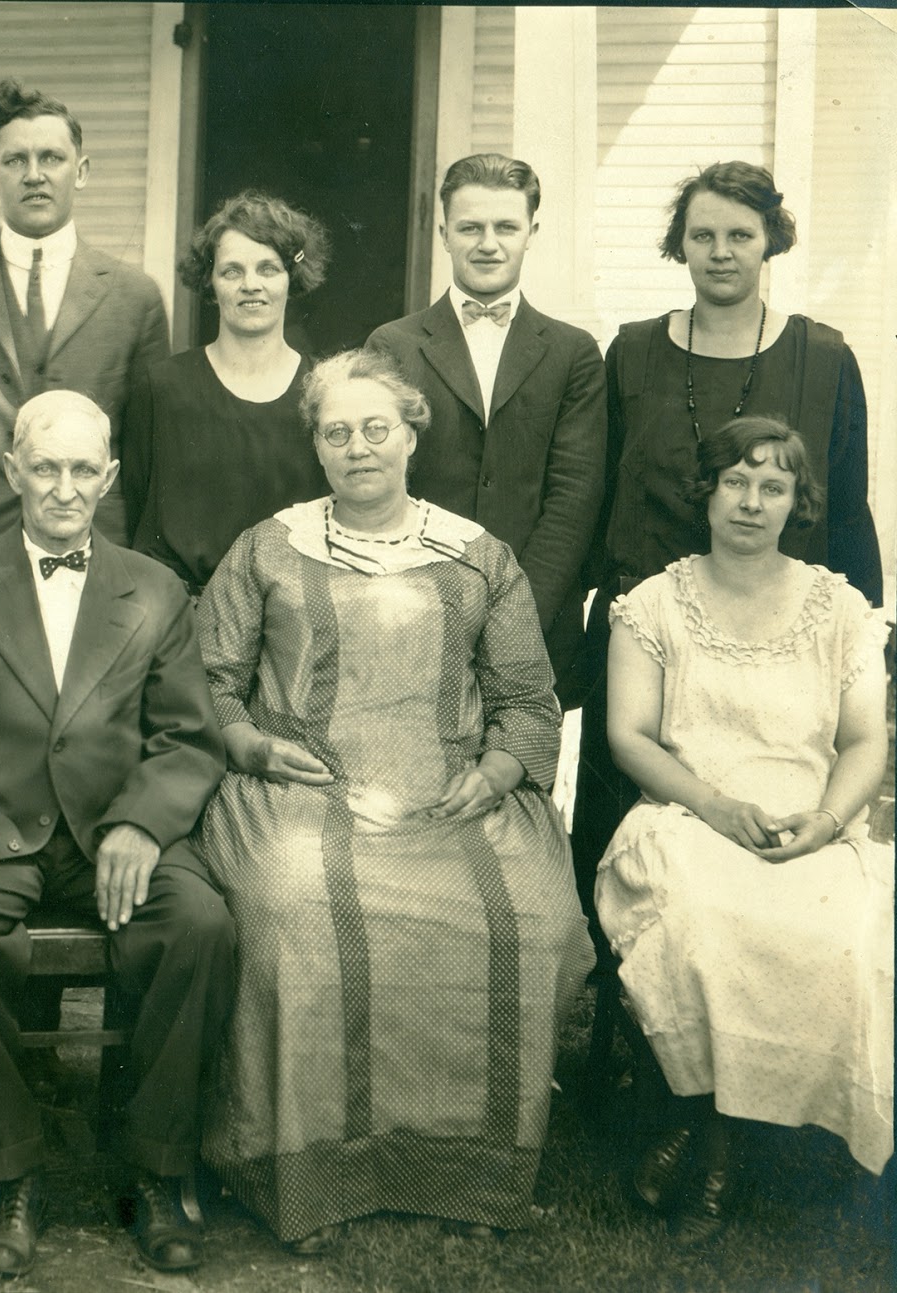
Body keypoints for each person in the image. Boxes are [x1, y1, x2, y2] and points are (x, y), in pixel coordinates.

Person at [194, 350, 592, 1251]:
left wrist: (496, 771)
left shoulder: (477, 555)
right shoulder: (270, 546)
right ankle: (304, 1174)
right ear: (317, 448)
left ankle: (474, 1173)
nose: (358, 447)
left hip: (451, 791)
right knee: (297, 912)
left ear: (412, 435)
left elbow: (528, 697)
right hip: (302, 786)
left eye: (377, 429)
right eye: (337, 432)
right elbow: (207, 683)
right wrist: (254, 743)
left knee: (530, 916)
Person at [0, 390, 234, 1279]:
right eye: (46, 467)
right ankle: (8, 1169)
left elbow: (188, 736)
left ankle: (156, 1164)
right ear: (12, 471)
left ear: (108, 478)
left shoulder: (153, 588)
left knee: (202, 926)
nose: (64, 489)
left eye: (82, 471)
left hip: (117, 832)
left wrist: (144, 822)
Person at [572, 161, 884, 971]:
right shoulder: (633, 353)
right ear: (680, 244)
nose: (720, 252)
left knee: (787, 858)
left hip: (778, 649)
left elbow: (846, 511)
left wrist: (868, 638)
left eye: (739, 235)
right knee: (622, 850)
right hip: (647, 637)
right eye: (702, 235)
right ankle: (639, 1024)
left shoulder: (823, 355)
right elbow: (603, 488)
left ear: (769, 242)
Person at [595, 417, 891, 1245]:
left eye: (773, 486)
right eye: (735, 482)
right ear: (708, 492)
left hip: (809, 822)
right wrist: (720, 811)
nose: (751, 502)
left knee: (843, 930)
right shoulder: (653, 602)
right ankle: (722, 1152)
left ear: (797, 501)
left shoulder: (839, 607)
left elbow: (868, 738)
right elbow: (630, 736)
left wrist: (827, 822)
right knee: (705, 918)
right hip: (688, 816)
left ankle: (701, 1134)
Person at [0, 79, 171, 571]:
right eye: (15, 160)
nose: (34, 175)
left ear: (81, 171)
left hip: (93, 547)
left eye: (52, 158)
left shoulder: (135, 296)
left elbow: (147, 455)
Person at [364, 154, 606, 687]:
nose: (488, 243)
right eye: (470, 227)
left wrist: (517, 618)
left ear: (531, 233)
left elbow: (575, 497)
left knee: (516, 769)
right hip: (412, 616)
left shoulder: (573, 352)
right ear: (444, 234)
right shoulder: (393, 345)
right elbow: (380, 486)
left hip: (535, 623)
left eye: (506, 227)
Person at [124, 191, 331, 593]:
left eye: (268, 269)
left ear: (293, 278)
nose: (251, 285)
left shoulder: (322, 390)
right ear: (210, 281)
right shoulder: (162, 387)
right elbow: (133, 508)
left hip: (292, 618)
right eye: (232, 271)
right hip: (180, 618)